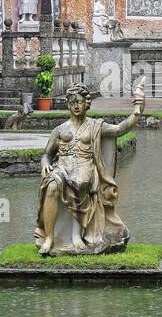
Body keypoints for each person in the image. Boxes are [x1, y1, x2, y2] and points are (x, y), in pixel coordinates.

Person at [35, 81, 145, 256]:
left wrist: (138, 108)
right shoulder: (59, 130)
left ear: (87, 103)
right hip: (63, 167)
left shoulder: (95, 126)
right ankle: (49, 238)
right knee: (51, 186)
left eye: (79, 102)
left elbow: (119, 129)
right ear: (67, 105)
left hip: (85, 166)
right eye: (72, 103)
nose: (75, 106)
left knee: (81, 182)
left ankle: (76, 235)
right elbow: (46, 154)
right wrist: (45, 164)